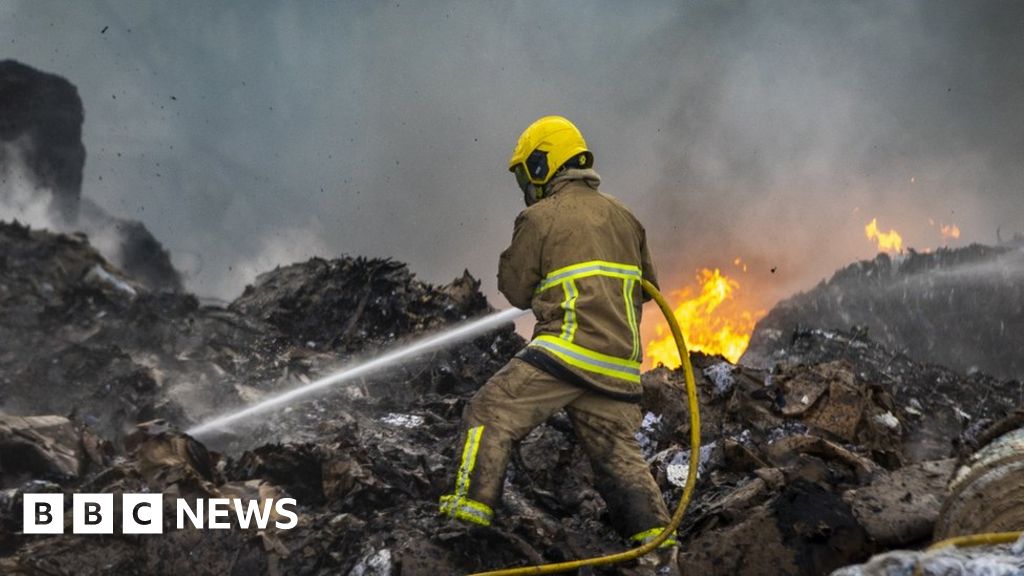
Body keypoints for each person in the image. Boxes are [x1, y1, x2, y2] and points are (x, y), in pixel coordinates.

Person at [439, 116, 678, 573]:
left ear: (543, 164)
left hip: (566, 352)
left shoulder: (539, 217)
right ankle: (658, 550)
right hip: (617, 365)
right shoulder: (626, 218)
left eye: (526, 171)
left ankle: (465, 522)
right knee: (618, 459)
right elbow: (648, 289)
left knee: (488, 412)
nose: (525, 184)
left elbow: (514, 286)